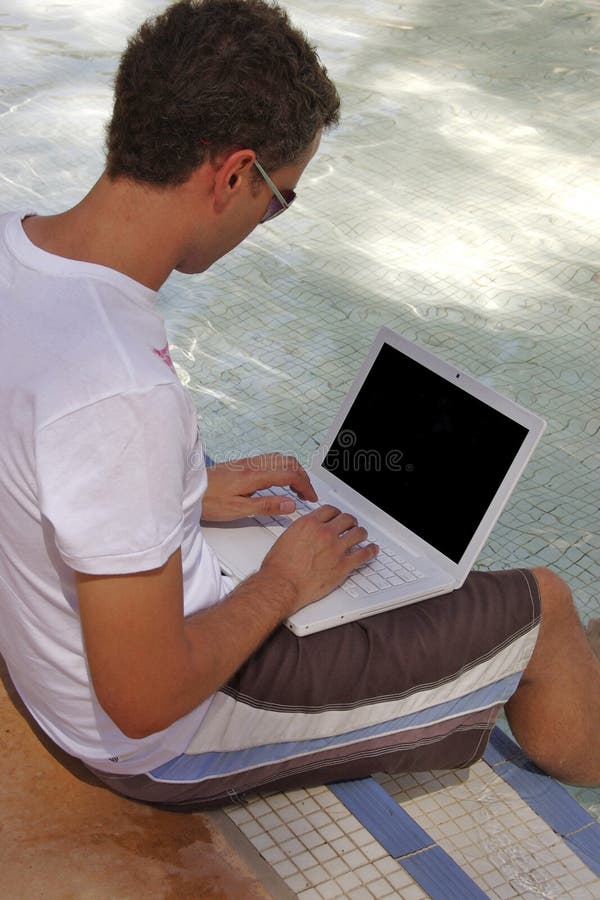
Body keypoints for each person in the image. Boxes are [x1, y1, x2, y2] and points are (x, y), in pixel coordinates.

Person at [0, 0, 598, 811]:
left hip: (50, 674)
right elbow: (143, 697)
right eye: (281, 197)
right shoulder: (123, 392)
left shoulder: (16, 250)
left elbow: (35, 451)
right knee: (546, 608)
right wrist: (282, 585)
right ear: (235, 174)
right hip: (160, 739)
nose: (269, 219)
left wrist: (175, 498)